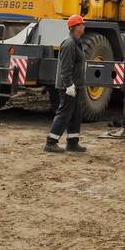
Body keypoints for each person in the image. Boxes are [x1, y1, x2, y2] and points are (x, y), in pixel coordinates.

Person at [44, 14, 87, 153]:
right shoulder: (69, 44)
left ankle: (73, 143)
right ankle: (51, 142)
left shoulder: (77, 42)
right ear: (75, 27)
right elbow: (65, 67)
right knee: (65, 113)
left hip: (76, 85)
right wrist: (69, 85)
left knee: (76, 113)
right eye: (82, 24)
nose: (84, 26)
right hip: (68, 86)